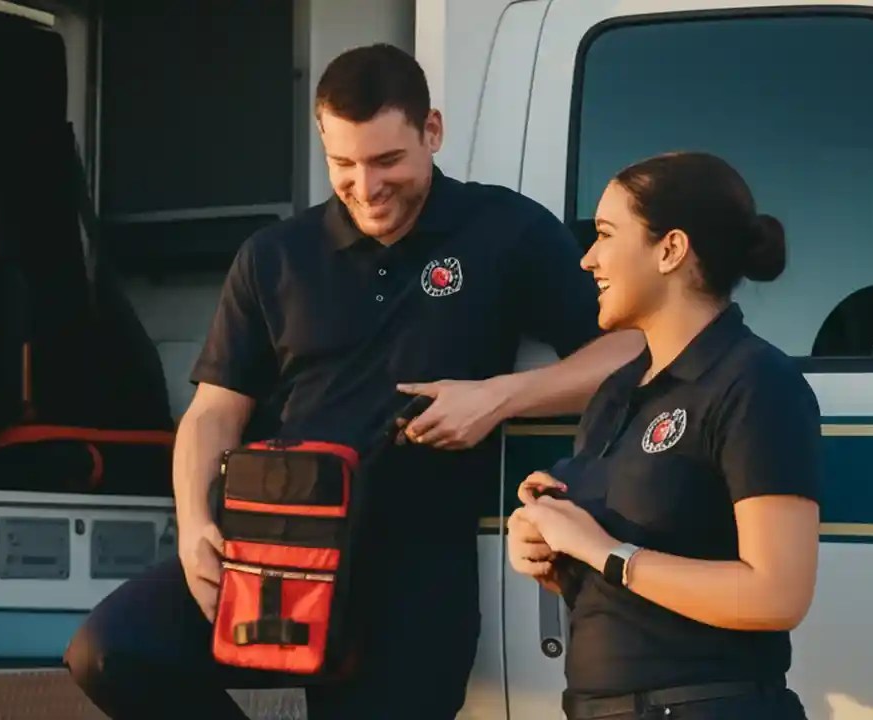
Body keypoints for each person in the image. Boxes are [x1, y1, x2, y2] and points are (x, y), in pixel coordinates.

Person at [64, 43, 645, 719]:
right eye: (343, 164)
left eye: (388, 161)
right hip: (278, 552)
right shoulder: (275, 256)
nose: (366, 187)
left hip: (415, 572)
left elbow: (631, 350)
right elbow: (213, 413)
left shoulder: (505, 230)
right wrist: (195, 526)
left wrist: (497, 398)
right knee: (113, 649)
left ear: (432, 132)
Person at [508, 152, 821, 720]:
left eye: (605, 234)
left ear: (670, 250)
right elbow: (632, 588)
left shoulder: (755, 382)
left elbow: (778, 594)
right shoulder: (615, 391)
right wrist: (552, 551)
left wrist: (601, 550)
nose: (587, 259)